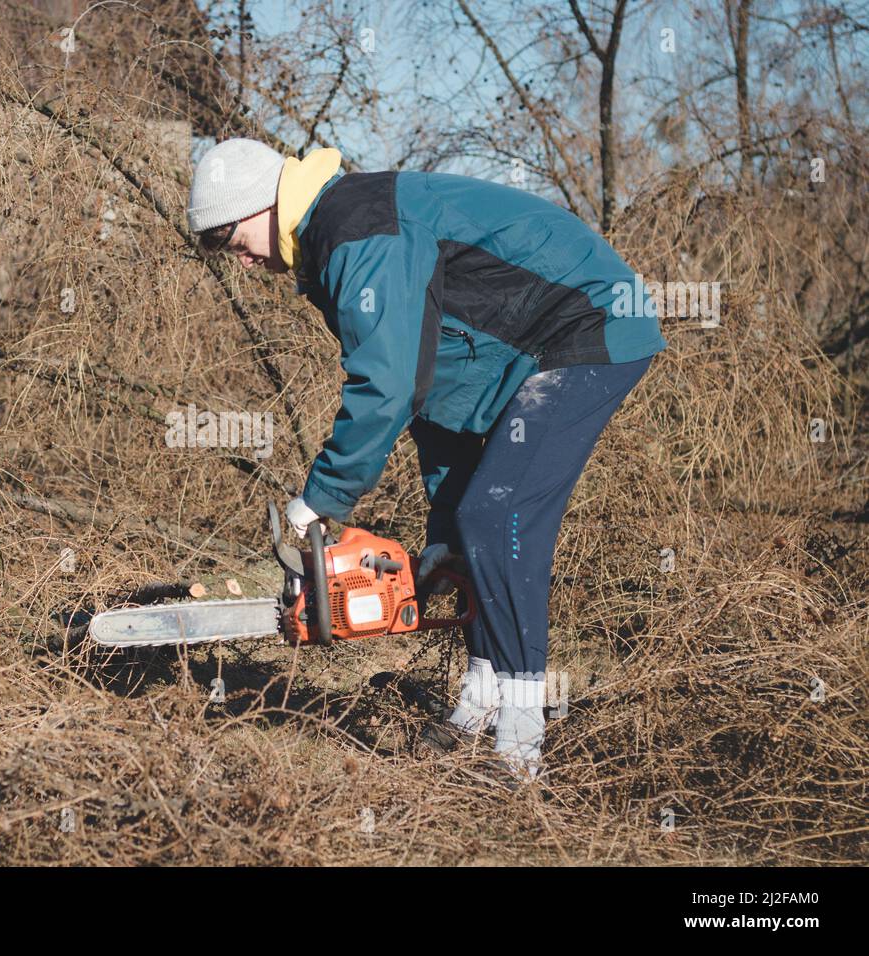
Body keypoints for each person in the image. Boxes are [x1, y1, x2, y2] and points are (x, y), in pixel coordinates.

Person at [186, 138, 665, 783]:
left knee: (499, 517)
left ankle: (521, 745)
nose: (236, 259)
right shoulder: (338, 240)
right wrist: (444, 530)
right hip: (515, 358)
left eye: (228, 237)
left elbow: (386, 389)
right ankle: (478, 706)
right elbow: (436, 382)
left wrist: (320, 501)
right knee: (469, 526)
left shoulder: (357, 230)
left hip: (587, 325)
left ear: (261, 203)